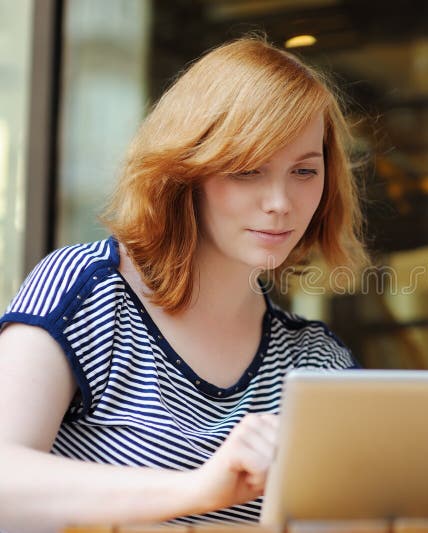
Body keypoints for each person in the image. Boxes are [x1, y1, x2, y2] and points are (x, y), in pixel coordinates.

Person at [0, 36, 368, 529]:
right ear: (186, 170)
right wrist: (198, 488)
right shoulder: (87, 290)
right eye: (247, 170)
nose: (281, 201)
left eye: (304, 171)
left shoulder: (313, 361)